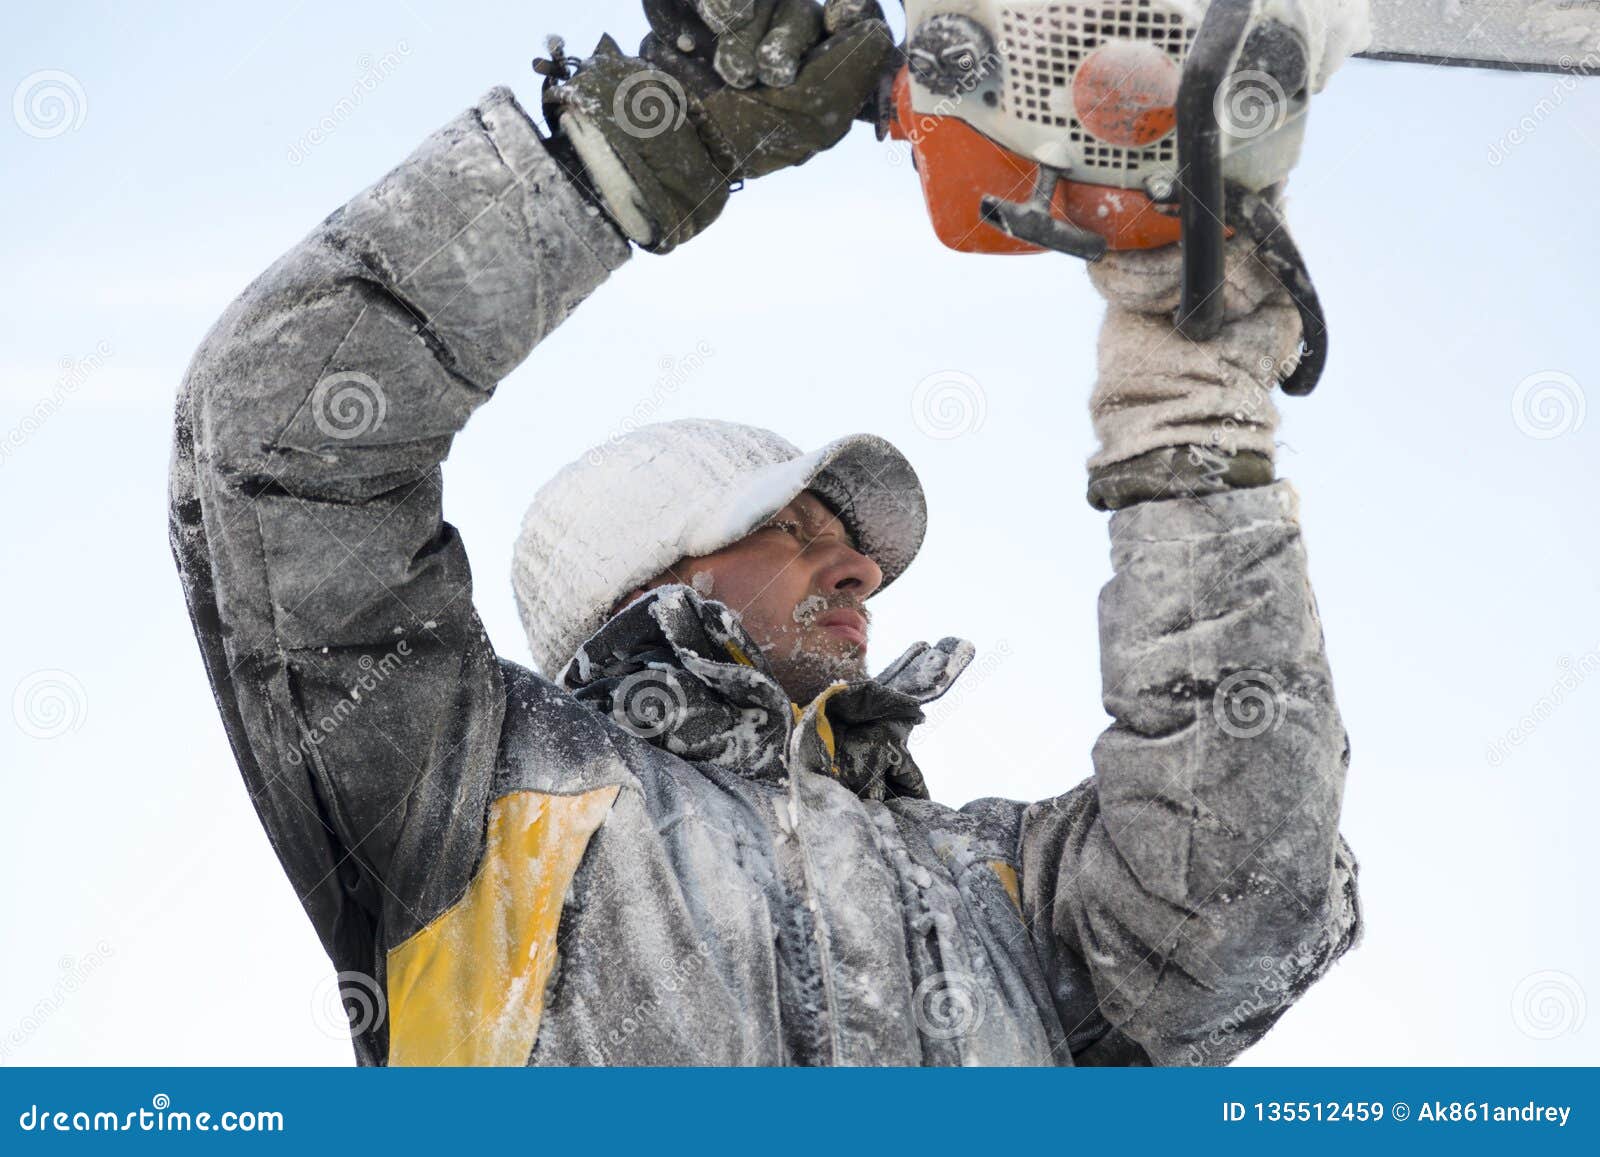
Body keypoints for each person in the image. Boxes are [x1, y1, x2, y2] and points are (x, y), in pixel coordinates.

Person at [169, 0, 1360, 1066]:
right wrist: (634, 146)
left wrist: (1188, 429)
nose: (862, 567)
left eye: (853, 544)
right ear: (634, 578)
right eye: (792, 528)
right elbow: (282, 433)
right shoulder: (466, 794)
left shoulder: (1000, 885)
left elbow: (1242, 895)